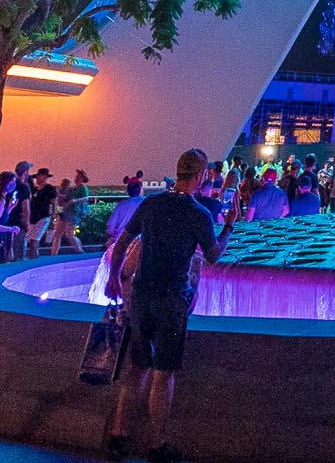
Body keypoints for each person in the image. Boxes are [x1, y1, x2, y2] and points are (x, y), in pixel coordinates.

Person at [104, 147, 223, 463]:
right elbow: (213, 255)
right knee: (163, 373)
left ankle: (118, 434)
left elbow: (123, 242)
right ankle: (157, 444)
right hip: (172, 299)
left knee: (138, 366)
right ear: (199, 176)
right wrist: (230, 227)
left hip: (141, 296)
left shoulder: (150, 204)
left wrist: (114, 277)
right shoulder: (199, 214)